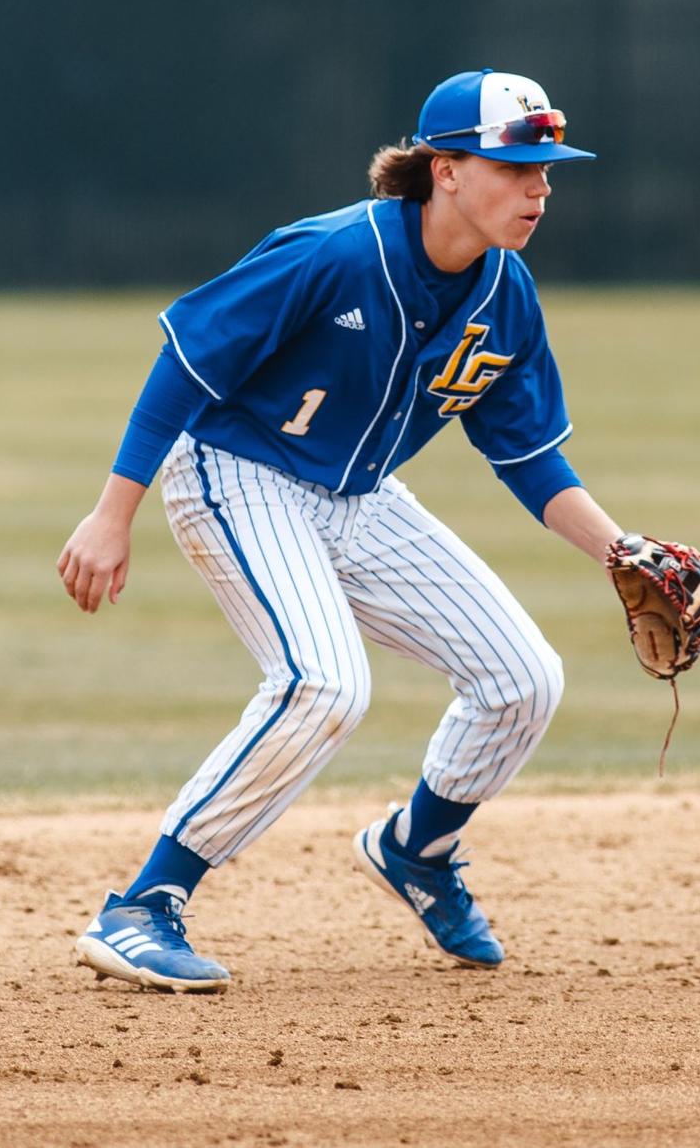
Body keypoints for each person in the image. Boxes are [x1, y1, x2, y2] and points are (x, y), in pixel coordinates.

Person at [59, 68, 627, 993]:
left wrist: (619, 550)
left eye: (547, 168)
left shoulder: (506, 295)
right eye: (518, 164)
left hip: (359, 496)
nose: (540, 186)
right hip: (236, 473)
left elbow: (526, 454)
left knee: (524, 678)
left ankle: (418, 849)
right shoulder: (333, 252)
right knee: (324, 683)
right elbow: (188, 360)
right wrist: (111, 511)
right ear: (446, 169)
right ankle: (143, 905)